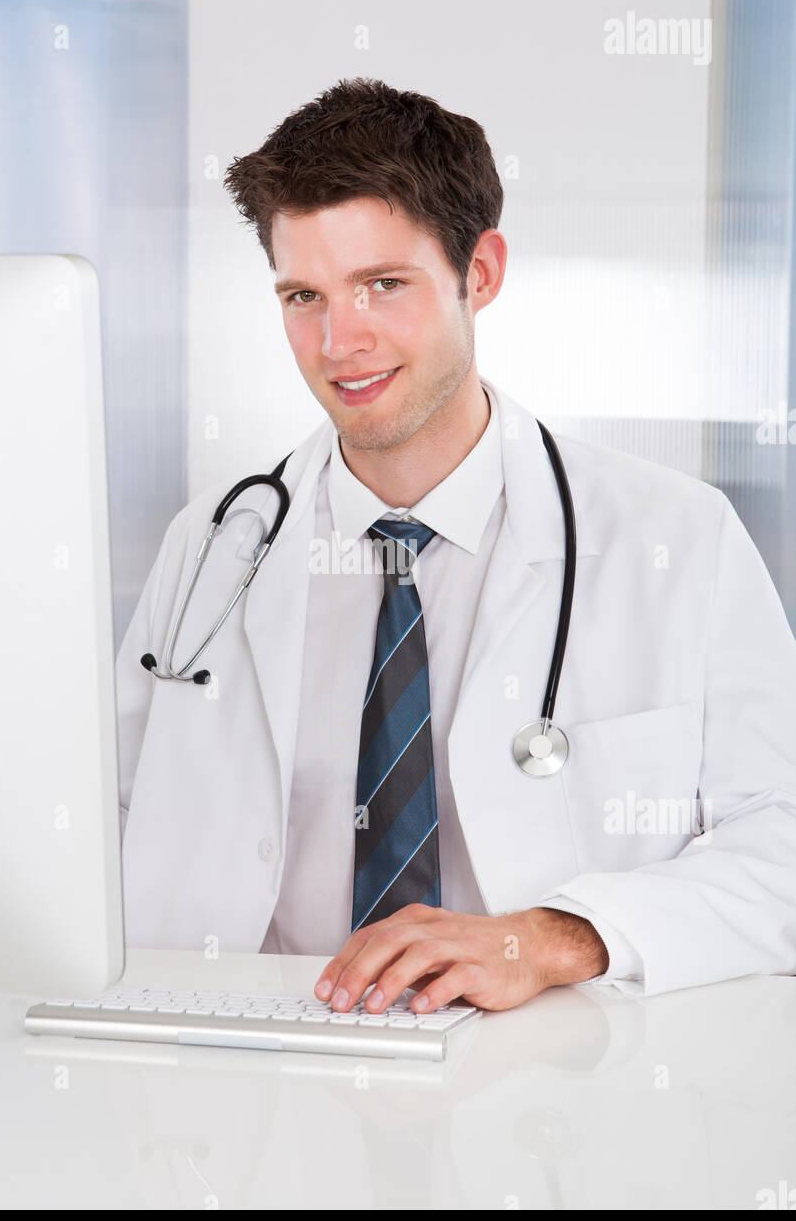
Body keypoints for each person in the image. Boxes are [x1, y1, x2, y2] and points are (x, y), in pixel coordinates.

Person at [116, 77, 796, 1013]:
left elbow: (782, 855)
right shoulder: (213, 548)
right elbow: (101, 834)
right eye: (302, 295)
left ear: (480, 273)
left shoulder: (679, 540)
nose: (338, 341)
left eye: (381, 285)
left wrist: (554, 937)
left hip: (548, 1094)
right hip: (249, 1088)